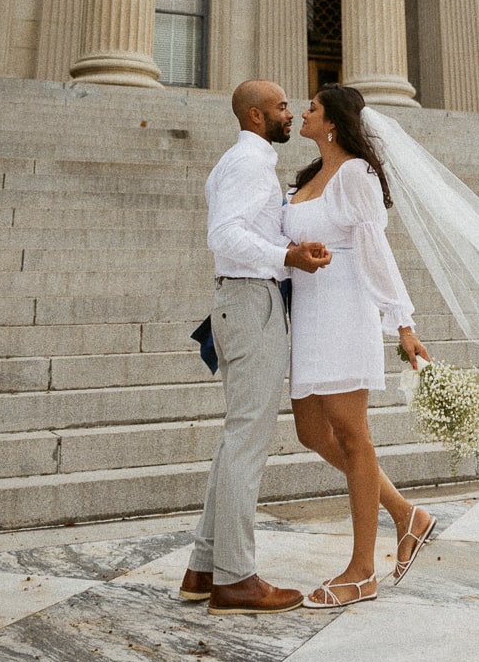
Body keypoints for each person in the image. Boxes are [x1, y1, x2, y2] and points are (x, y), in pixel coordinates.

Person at [180, 79, 332, 615]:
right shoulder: (248, 163)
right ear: (255, 116)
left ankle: (204, 568)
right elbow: (223, 235)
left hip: (242, 300)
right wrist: (286, 257)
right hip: (250, 301)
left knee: (236, 441)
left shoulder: (243, 161)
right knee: (247, 441)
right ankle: (237, 579)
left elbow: (243, 231)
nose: (290, 114)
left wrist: (286, 248)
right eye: (281, 107)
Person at [284, 83, 437, 609]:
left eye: (312, 107)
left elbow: (375, 251)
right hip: (309, 314)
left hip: (345, 312)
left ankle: (362, 571)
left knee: (353, 436)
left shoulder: (355, 174)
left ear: (332, 122)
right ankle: (407, 514)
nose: (303, 112)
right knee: (310, 432)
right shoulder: (308, 176)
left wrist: (403, 324)